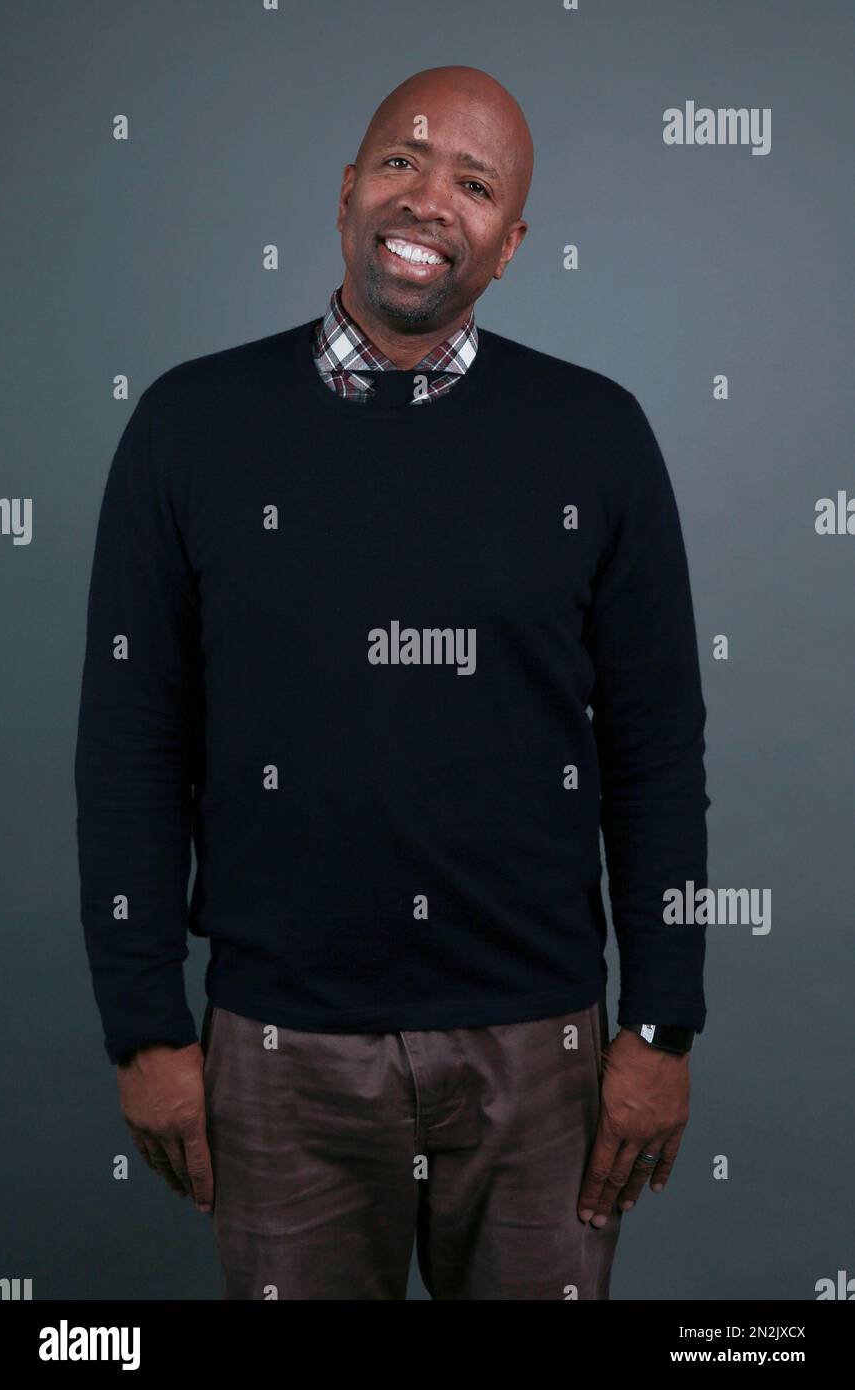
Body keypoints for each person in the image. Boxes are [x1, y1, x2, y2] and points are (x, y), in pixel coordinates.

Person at [75, 64, 710, 1300]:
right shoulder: (187, 427)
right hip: (278, 1045)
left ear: (510, 245)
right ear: (345, 192)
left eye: (472, 185)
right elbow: (131, 745)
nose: (427, 201)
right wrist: (144, 1023)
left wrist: (662, 1022)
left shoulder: (596, 436)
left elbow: (656, 749)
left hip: (541, 1051)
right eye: (401, 163)